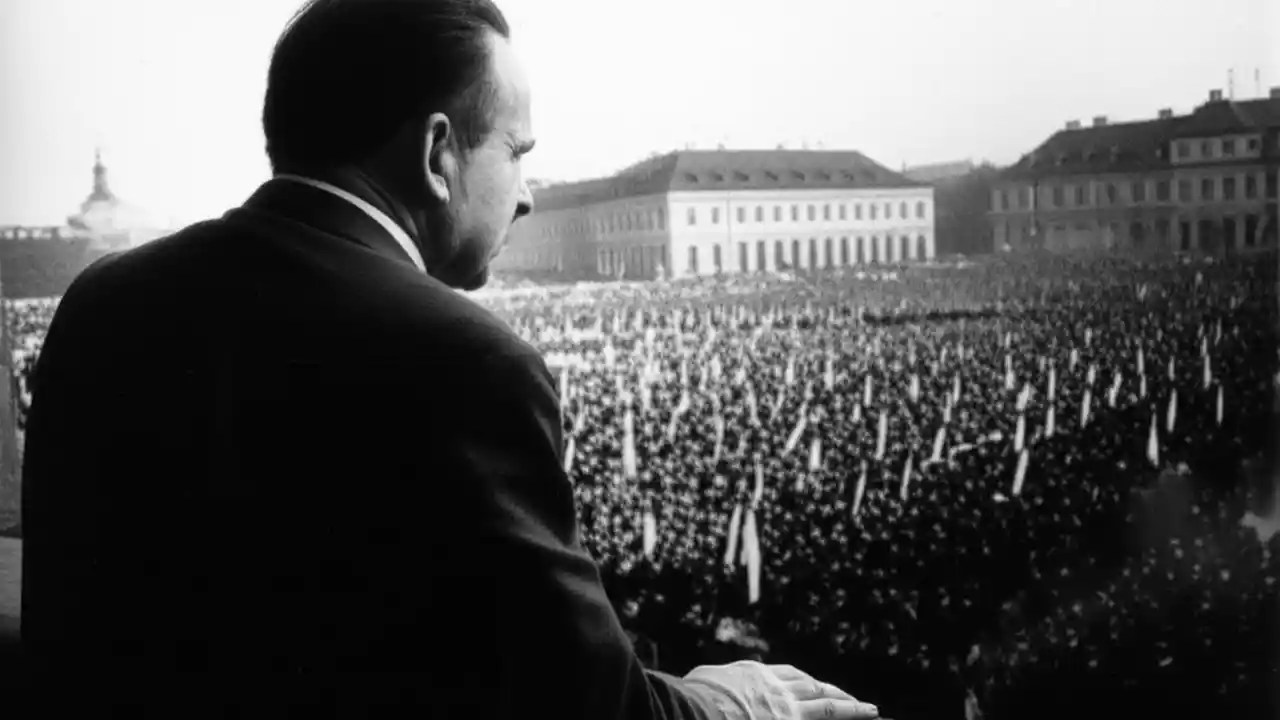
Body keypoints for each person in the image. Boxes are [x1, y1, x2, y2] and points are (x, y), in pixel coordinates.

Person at [20, 0, 880, 717]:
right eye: (517, 151)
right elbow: (585, 707)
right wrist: (737, 702)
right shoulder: (461, 358)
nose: (531, 193)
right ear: (438, 155)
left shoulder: (104, 298)